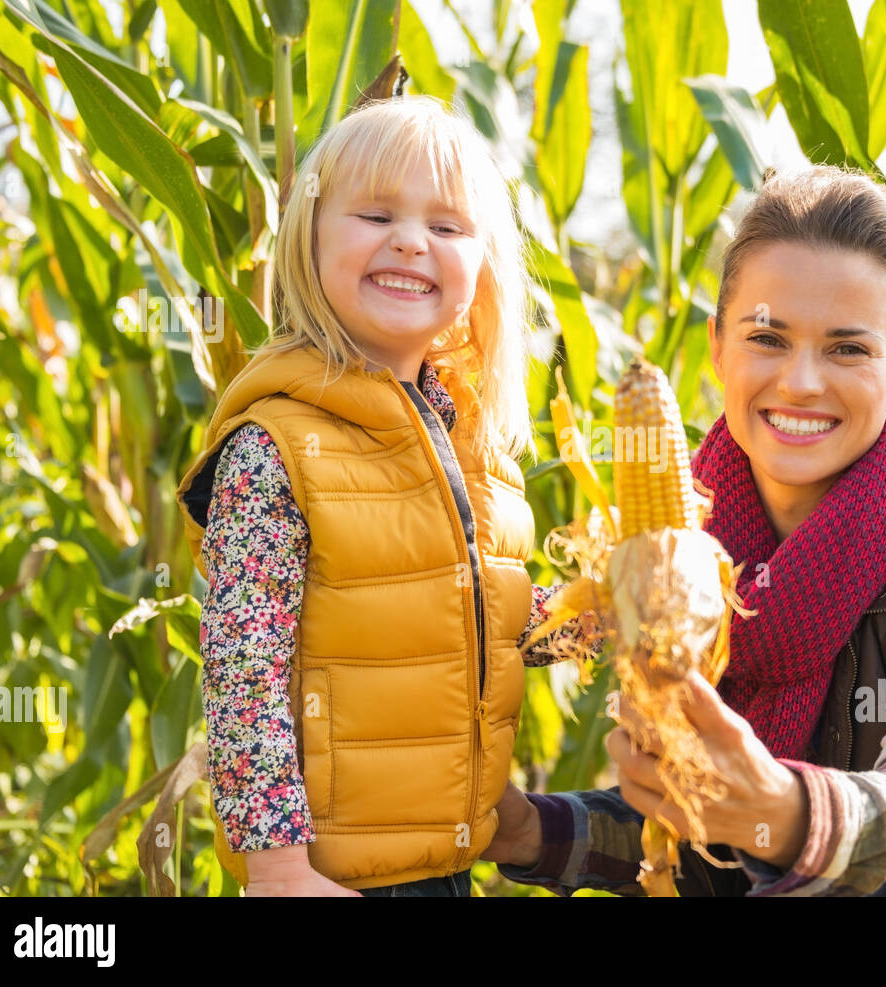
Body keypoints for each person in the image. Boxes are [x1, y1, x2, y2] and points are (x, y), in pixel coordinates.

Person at [485, 165, 886, 896]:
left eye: (848, 348)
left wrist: (785, 813)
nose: (800, 382)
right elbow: (704, 831)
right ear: (719, 344)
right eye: (768, 337)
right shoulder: (683, 561)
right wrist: (528, 829)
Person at [175, 96, 596, 897]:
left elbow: (485, 615)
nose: (410, 239)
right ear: (309, 235)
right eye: (374, 214)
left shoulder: (468, 447)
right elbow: (244, 665)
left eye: (447, 227)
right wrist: (278, 868)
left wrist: (606, 615)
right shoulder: (275, 448)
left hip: (444, 864)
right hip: (328, 875)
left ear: (483, 265)